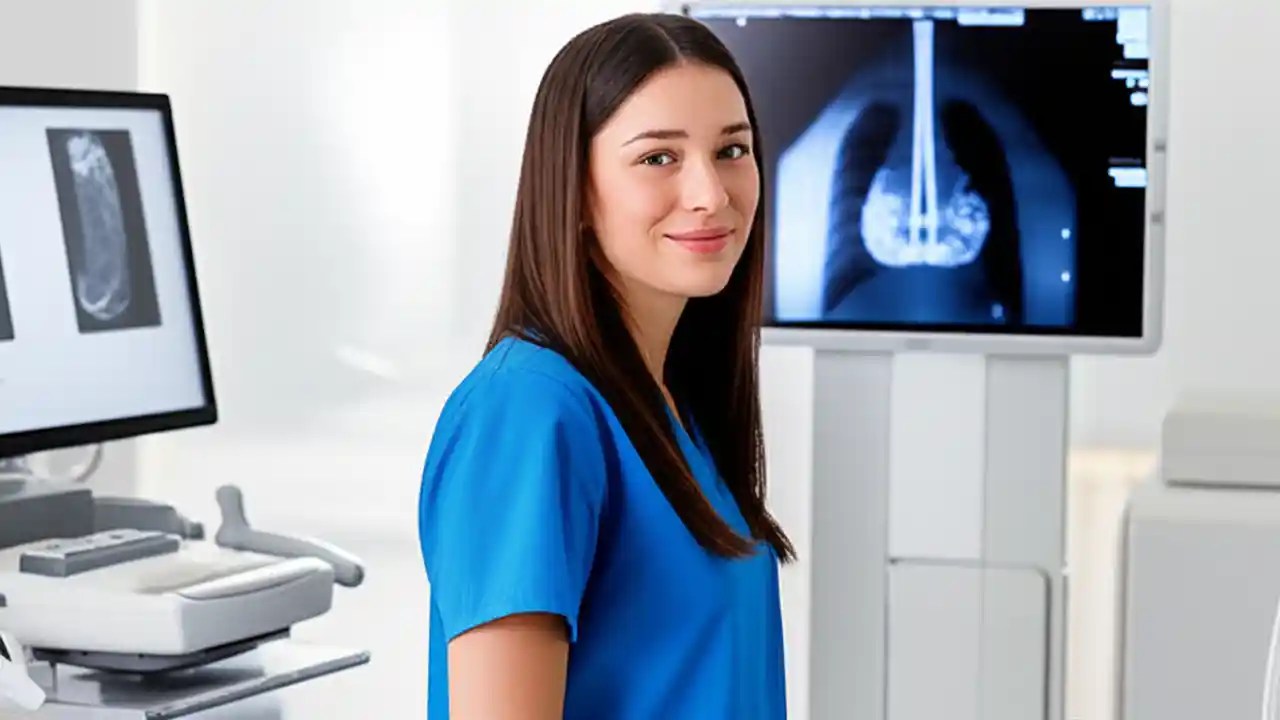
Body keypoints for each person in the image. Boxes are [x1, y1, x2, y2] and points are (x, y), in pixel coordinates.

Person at [417, 12, 795, 720]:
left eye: (733, 150)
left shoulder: (674, 407)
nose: (711, 193)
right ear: (576, 190)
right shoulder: (528, 413)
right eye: (658, 158)